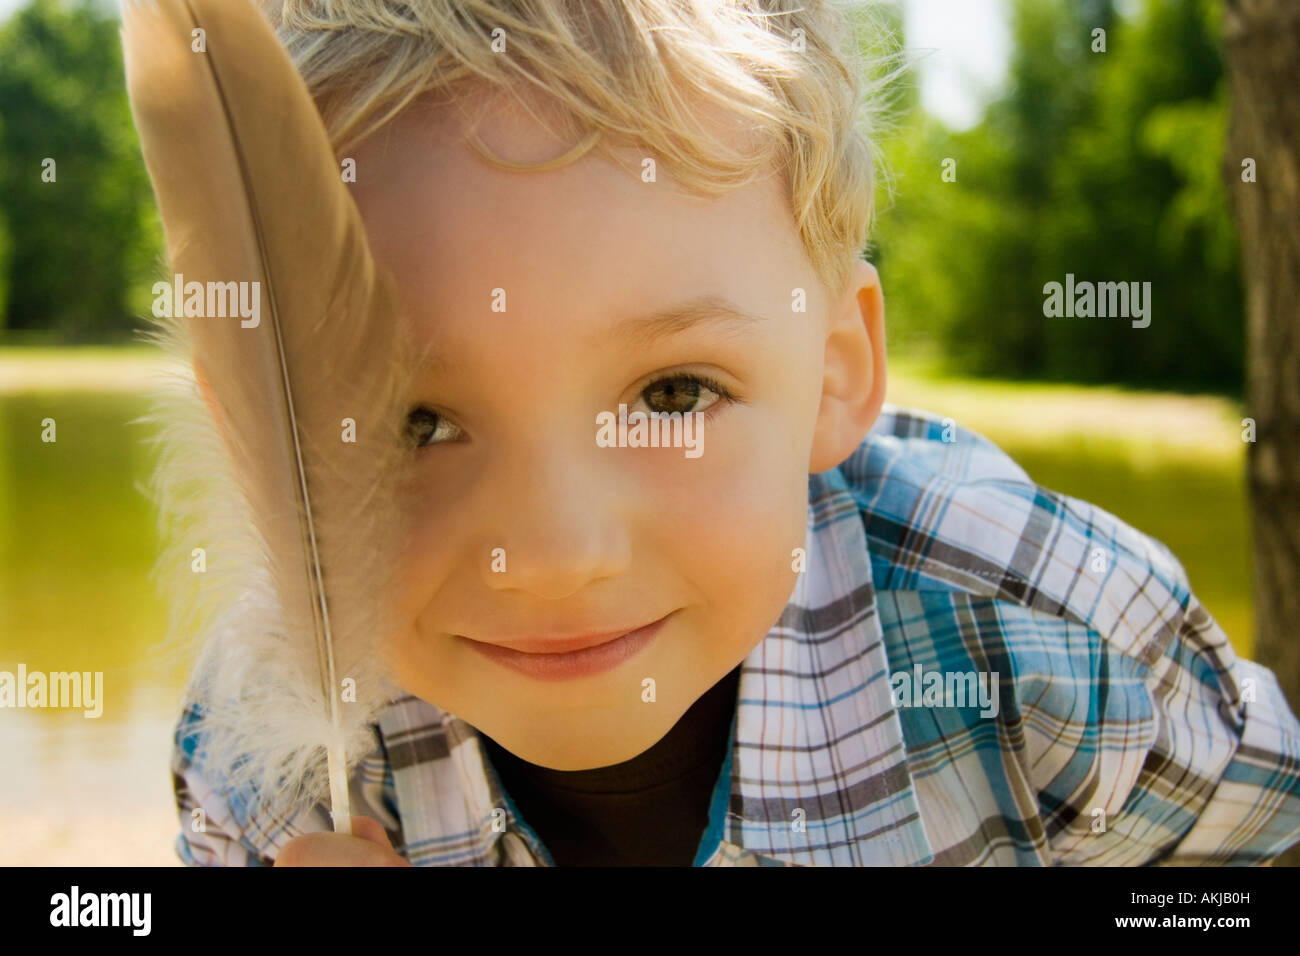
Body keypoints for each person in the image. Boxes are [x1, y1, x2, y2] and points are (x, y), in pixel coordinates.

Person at [169, 0, 1300, 866]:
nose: (558, 551)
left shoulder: (1053, 653)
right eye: (415, 421)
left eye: (672, 395)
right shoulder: (274, 767)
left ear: (833, 374)